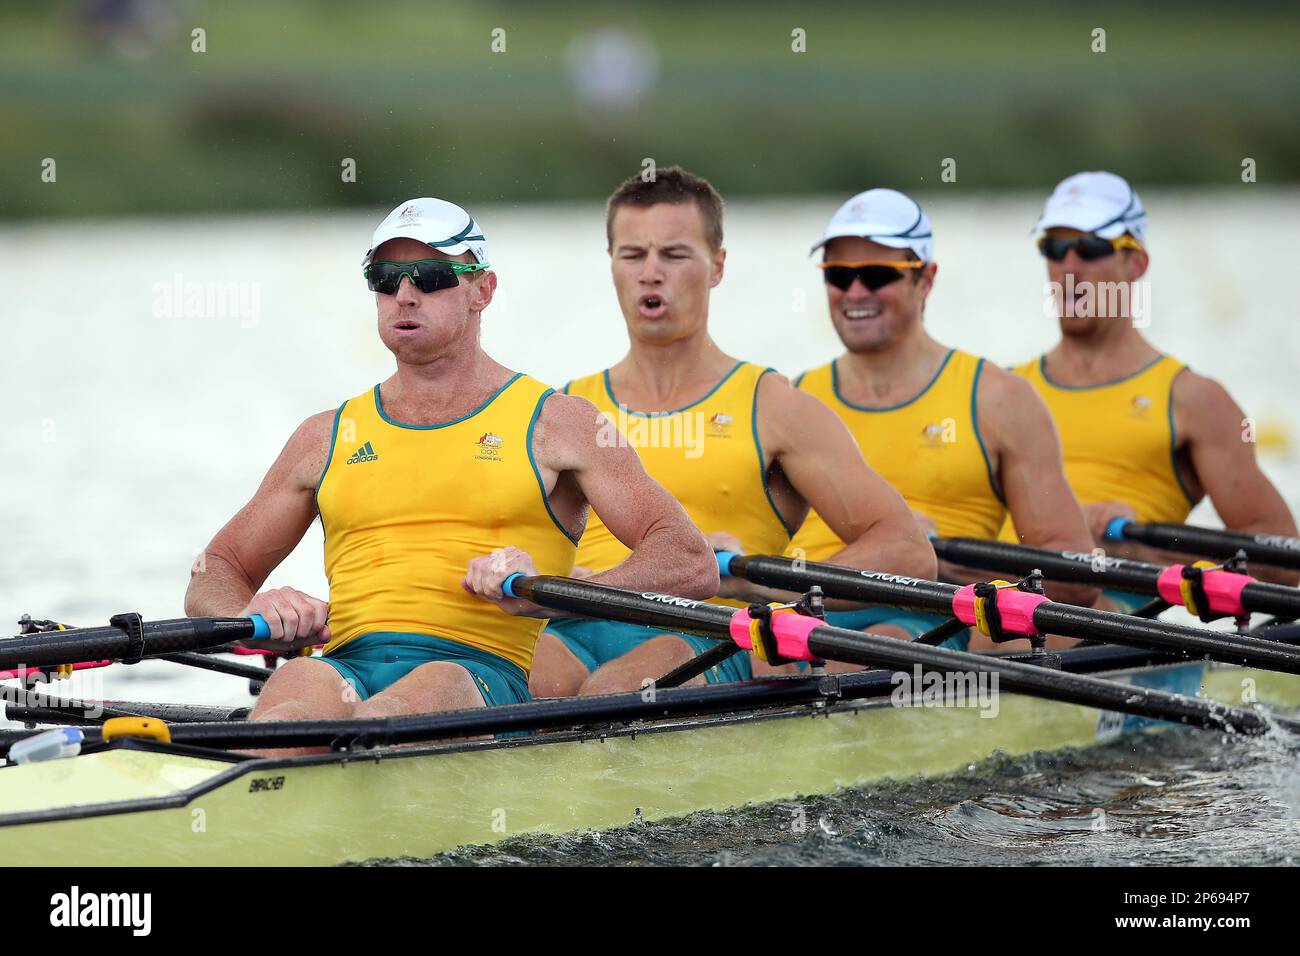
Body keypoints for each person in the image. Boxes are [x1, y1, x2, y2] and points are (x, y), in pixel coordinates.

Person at [184, 197, 717, 730]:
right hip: (344, 665)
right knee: (292, 693)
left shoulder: (559, 424)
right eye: (385, 278)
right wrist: (255, 611)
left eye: (432, 276)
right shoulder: (323, 436)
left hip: (479, 675)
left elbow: (689, 561)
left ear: (482, 290)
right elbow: (214, 573)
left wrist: (557, 597)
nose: (405, 295)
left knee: (414, 697)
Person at [529, 167, 936, 697]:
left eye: (674, 255)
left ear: (717, 266)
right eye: (633, 255)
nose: (651, 273)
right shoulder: (565, 410)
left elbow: (907, 551)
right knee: (518, 688)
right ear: (612, 265)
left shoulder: (776, 408)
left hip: (714, 631)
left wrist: (768, 581)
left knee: (614, 691)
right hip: (575, 627)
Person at [788, 188, 1096, 652]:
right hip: (799, 623)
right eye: (838, 275)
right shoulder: (793, 399)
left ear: (926, 280)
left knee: (874, 644)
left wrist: (923, 555)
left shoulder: (998, 400)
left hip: (922, 626)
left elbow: (1075, 582)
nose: (854, 292)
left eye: (876, 275)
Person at [1005, 172, 1298, 591]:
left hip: (1110, 624)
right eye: (1054, 247)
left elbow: (1287, 564)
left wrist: (1151, 552)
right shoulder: (1005, 392)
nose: (1069, 266)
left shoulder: (1194, 400)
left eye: (1091, 248)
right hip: (997, 609)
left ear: (1136, 263)